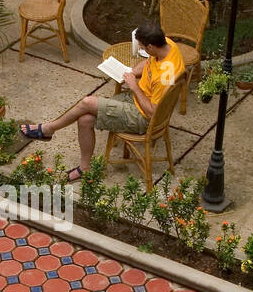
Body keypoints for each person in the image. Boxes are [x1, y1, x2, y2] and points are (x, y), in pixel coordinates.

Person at [20, 23, 185, 181]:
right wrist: (132, 72)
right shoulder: (166, 45)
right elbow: (148, 63)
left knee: (87, 102)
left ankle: (49, 129)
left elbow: (152, 112)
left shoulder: (166, 75)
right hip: (136, 100)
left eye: (142, 47)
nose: (142, 50)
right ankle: (84, 168)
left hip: (142, 116)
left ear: (150, 47)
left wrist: (134, 87)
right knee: (84, 119)